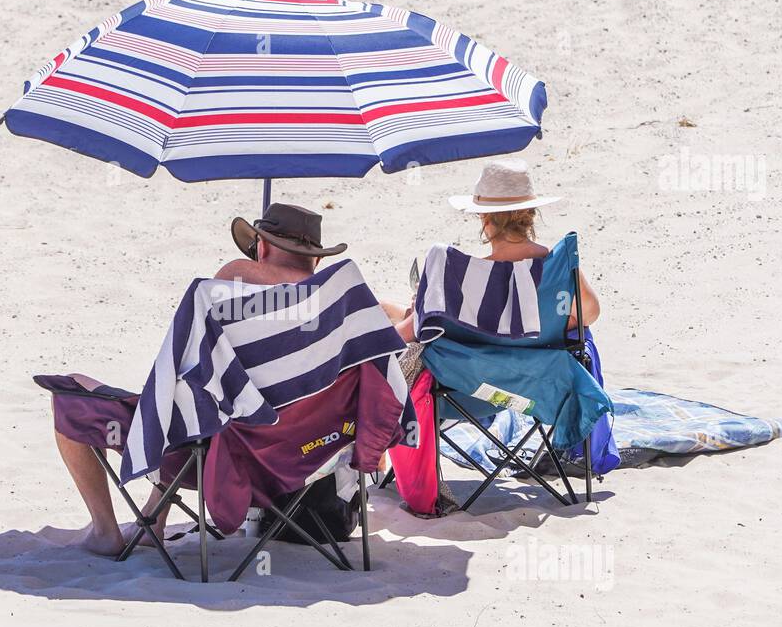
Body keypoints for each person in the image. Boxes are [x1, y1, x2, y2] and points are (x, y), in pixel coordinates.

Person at [58, 203, 348, 556]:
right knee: (201, 400)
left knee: (71, 390)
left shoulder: (240, 276)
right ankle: (152, 519)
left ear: (263, 246)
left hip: (211, 459)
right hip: (301, 458)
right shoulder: (342, 310)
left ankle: (106, 530)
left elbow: (182, 371)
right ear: (317, 259)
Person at [381, 160, 600, 340]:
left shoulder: (464, 277)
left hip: (472, 384)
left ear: (485, 219)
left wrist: (425, 301)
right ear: (531, 215)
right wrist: (548, 326)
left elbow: (409, 336)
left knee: (384, 309)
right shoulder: (558, 267)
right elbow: (589, 315)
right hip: (545, 378)